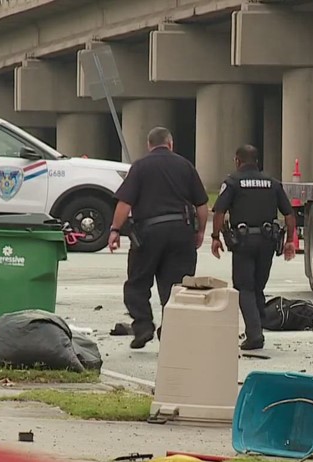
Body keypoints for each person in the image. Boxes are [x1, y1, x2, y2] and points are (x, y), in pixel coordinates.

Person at [109, 127, 210, 349]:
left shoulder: (140, 167)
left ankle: (144, 326)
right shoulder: (185, 166)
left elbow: (125, 203)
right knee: (176, 286)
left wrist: (115, 230)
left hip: (148, 233)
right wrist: (200, 231)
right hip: (181, 232)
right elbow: (202, 205)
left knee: (137, 283)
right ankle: (172, 330)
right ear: (170, 144)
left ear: (149, 145)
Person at [210, 144, 296, 351]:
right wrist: (290, 241)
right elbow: (289, 214)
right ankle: (258, 324)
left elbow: (220, 212)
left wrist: (215, 236)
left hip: (244, 242)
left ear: (237, 161)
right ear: (257, 162)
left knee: (245, 288)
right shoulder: (272, 183)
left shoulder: (232, 182)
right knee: (258, 287)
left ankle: (255, 334)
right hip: (268, 241)